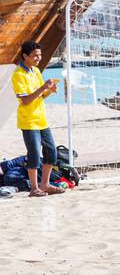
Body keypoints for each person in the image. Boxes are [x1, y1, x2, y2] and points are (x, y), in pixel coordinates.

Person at [11, 41, 64, 197]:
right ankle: (34, 189)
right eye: (35, 55)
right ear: (25, 56)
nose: (38, 58)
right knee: (33, 154)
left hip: (42, 120)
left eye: (40, 55)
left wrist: (49, 91)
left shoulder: (36, 71)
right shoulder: (18, 75)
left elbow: (39, 96)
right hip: (28, 121)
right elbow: (26, 100)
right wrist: (42, 87)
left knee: (51, 153)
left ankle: (45, 185)